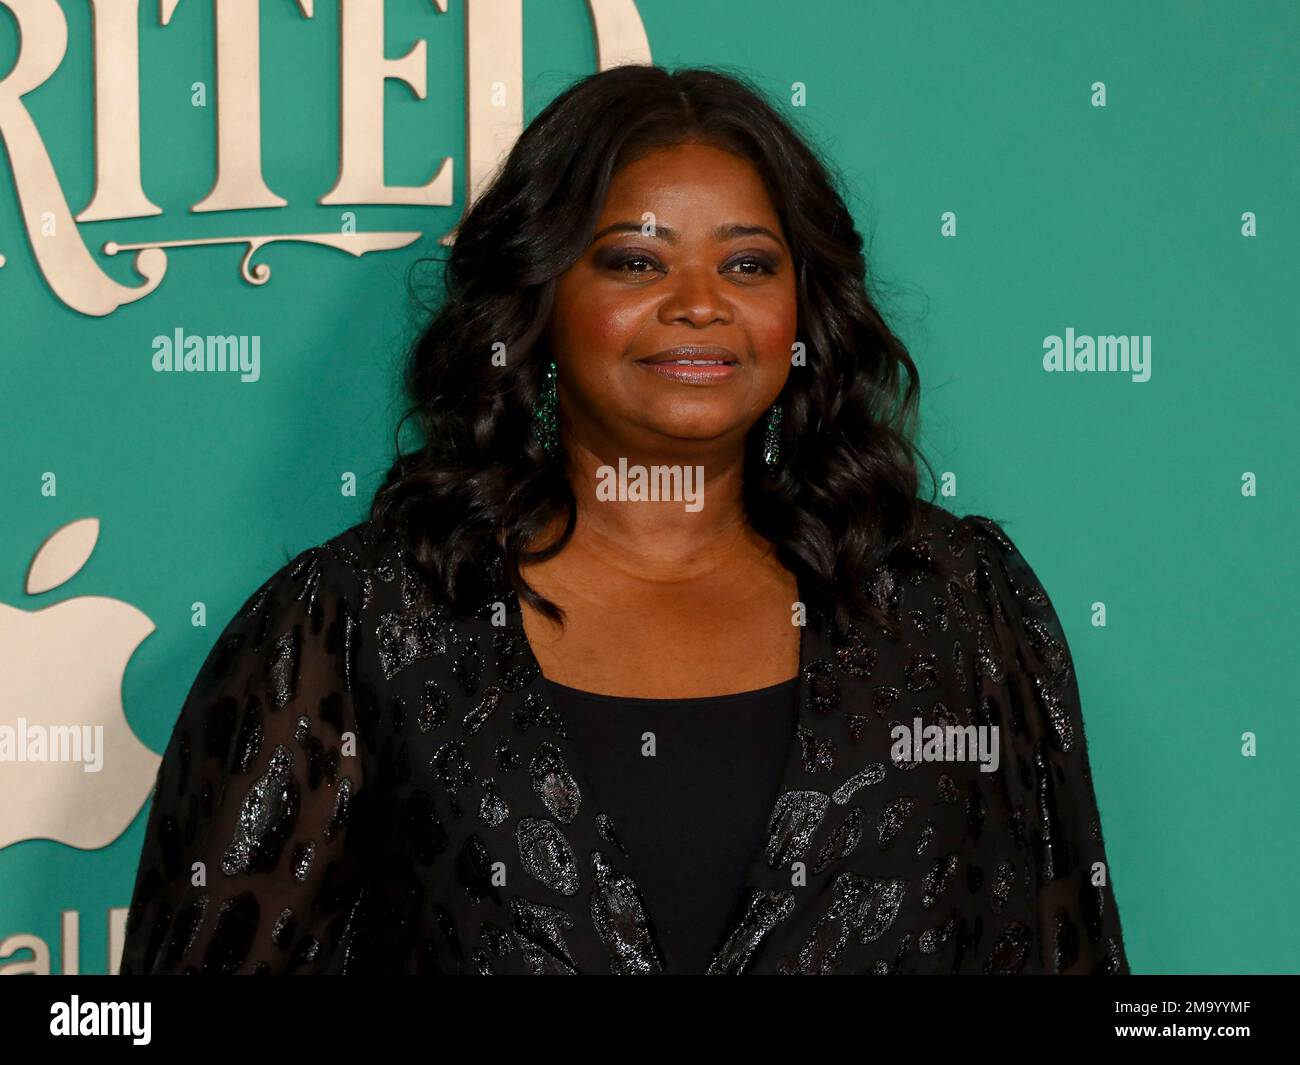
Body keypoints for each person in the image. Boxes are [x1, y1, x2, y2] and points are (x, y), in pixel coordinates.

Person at [118, 64, 1129, 974]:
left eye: (747, 264)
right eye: (634, 263)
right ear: (538, 301)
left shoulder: (955, 608)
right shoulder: (359, 626)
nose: (699, 304)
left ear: (803, 313)